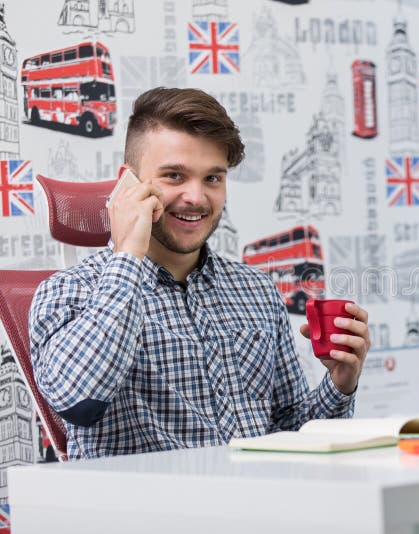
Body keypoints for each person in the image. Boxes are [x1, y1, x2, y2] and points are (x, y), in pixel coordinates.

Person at [29, 87, 371, 460]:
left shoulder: (255, 289)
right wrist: (128, 252)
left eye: (212, 178)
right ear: (128, 184)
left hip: (255, 506)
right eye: (175, 176)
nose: (196, 197)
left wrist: (339, 384)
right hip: (146, 513)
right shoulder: (67, 291)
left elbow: (289, 433)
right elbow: (76, 399)